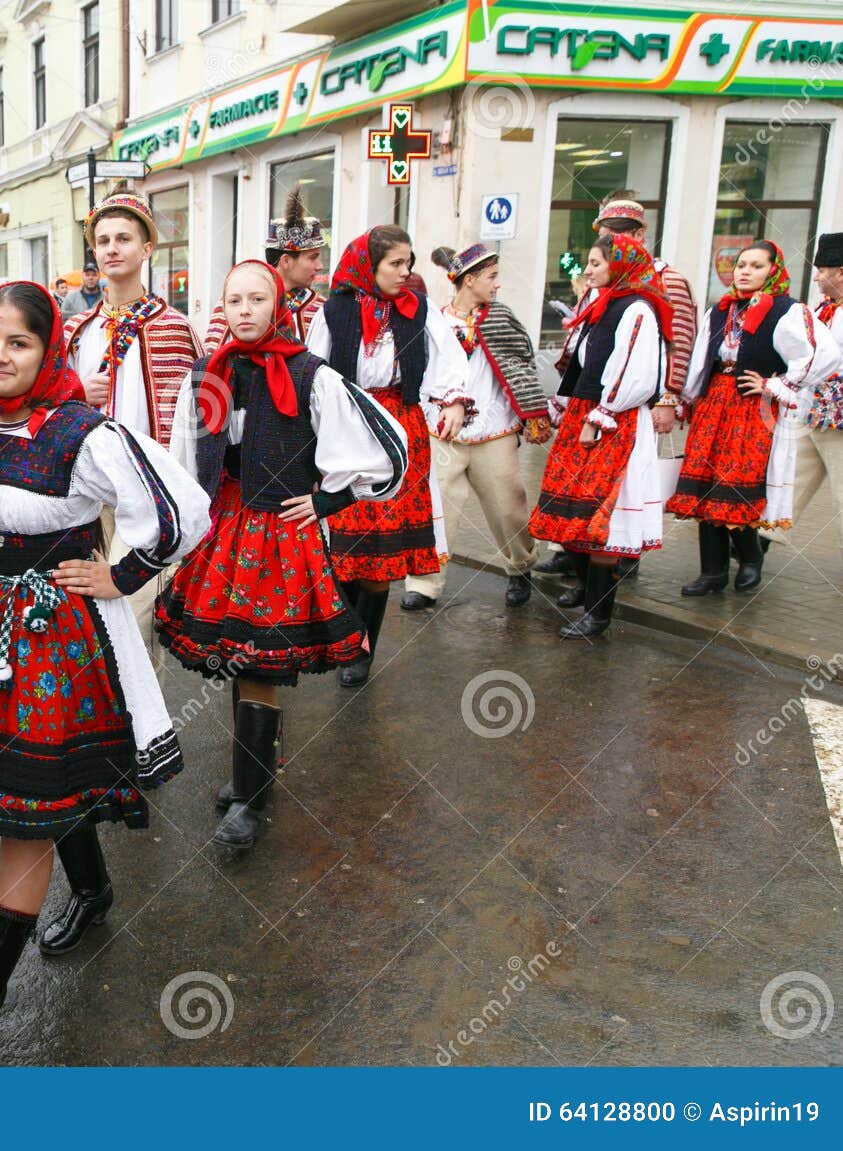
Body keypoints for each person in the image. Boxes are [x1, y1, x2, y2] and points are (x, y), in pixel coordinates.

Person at [0, 281, 210, 1059]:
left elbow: (179, 509)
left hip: (60, 632)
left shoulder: (84, 434)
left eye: (18, 343)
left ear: (46, 350)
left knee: (30, 796)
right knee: (40, 783)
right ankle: (92, 887)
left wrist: (123, 574)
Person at [158, 260, 407, 849]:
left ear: (277, 305)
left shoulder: (309, 373)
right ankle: (252, 772)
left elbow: (383, 445)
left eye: (256, 299)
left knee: (256, 660)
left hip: (279, 533)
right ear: (222, 308)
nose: (244, 310)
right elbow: (183, 457)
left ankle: (250, 796)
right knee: (234, 653)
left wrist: (327, 500)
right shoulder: (207, 375)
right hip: (225, 529)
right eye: (234, 300)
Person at [306, 226, 471, 686]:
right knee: (345, 547)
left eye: (408, 262)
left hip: (401, 432)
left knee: (380, 552)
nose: (405, 272)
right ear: (369, 265)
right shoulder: (335, 311)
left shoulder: (419, 309)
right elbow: (312, 373)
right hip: (348, 429)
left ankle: (362, 650)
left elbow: (449, 360)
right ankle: (344, 637)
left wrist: (454, 401)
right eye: (395, 263)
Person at [64, 187, 200, 656]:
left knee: (135, 618)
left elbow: (195, 419)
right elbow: (43, 408)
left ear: (146, 249)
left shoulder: (174, 327)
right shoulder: (76, 331)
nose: (111, 249)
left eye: (123, 238)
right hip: (83, 492)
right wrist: (76, 392)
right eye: (103, 241)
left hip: (146, 491)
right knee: (86, 621)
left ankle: (143, 705)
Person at [535, 193, 698, 582]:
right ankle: (577, 558)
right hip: (589, 395)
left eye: (619, 233)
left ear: (639, 235)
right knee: (577, 486)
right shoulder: (605, 281)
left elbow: (677, 340)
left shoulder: (666, 279)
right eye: (605, 232)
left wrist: (668, 397)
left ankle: (618, 558)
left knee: (621, 486)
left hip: (627, 402)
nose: (610, 239)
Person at [667, 241, 839, 595]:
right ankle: (712, 572)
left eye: (756, 266)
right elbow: (701, 359)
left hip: (752, 408)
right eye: (741, 264)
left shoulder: (786, 311)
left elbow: (823, 356)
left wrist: (778, 384)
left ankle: (750, 557)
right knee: (706, 483)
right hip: (714, 403)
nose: (745, 271)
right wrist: (685, 397)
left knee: (737, 481)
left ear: (773, 271)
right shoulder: (721, 310)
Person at [529, 235, 670, 637]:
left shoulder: (637, 308)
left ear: (620, 265)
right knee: (572, 511)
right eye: (588, 262)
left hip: (614, 422)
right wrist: (562, 405)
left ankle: (599, 612)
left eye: (596, 263)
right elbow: (582, 365)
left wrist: (604, 411)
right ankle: (585, 588)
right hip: (585, 414)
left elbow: (635, 372)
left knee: (603, 517)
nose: (587, 270)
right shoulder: (604, 304)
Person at [403, 244, 550, 611]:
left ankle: (520, 567)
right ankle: (424, 582)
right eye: (491, 277)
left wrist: (531, 410)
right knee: (437, 510)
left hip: (493, 430)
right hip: (443, 432)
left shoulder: (501, 320)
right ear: (469, 280)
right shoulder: (435, 322)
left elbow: (521, 364)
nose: (497, 284)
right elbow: (419, 370)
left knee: (508, 507)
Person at [783, 232, 843, 584]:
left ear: (842, 272)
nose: (817, 278)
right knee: (791, 475)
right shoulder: (822, 308)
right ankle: (763, 535)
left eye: (822, 270)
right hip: (811, 409)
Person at [201, 188, 326, 355]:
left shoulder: (320, 310)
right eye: (312, 258)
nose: (319, 266)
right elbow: (214, 358)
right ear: (286, 261)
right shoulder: (233, 302)